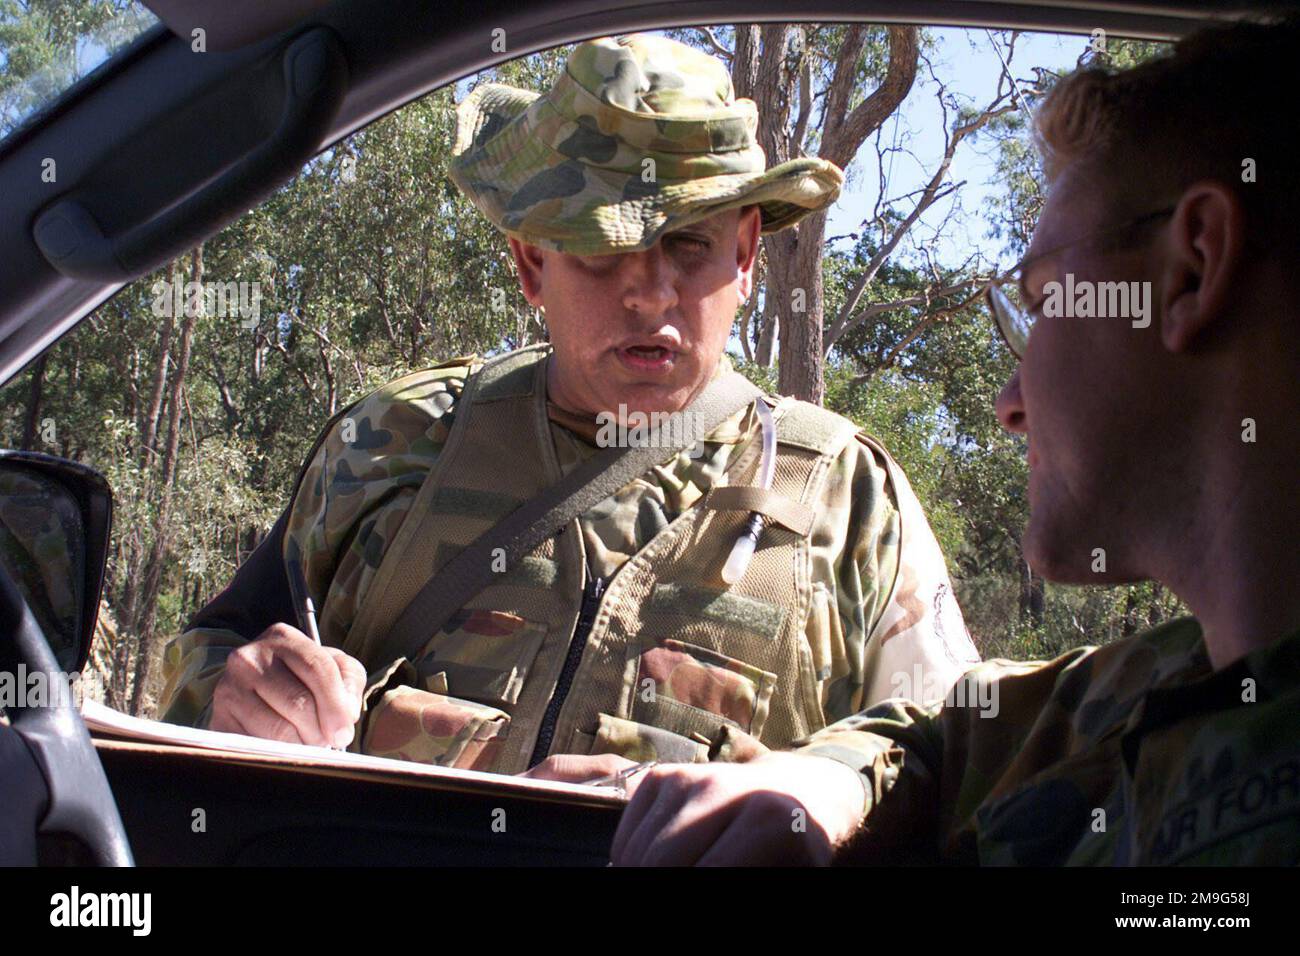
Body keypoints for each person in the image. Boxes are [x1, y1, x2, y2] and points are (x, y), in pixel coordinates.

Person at [156, 33, 978, 783]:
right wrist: (236, 699)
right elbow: (216, 659)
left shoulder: (847, 500)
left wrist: (807, 792)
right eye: (601, 245)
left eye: (690, 243)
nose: (649, 291)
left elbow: (952, 771)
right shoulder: (393, 443)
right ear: (530, 264)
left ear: (746, 252)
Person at [607, 16, 1300, 866]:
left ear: (1193, 268)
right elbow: (939, 734)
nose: (1010, 403)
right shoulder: (1143, 685)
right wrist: (820, 785)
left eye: (1044, 300)